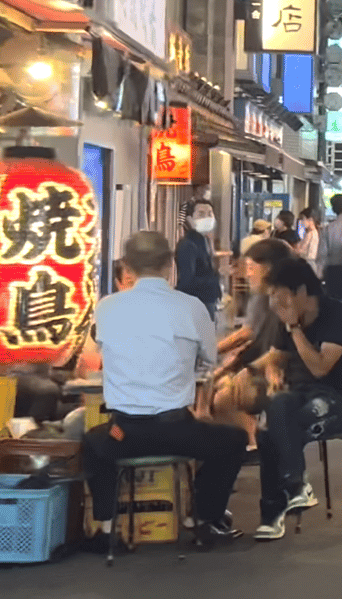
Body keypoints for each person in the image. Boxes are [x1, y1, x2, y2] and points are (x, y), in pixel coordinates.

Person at [81, 232, 246, 548]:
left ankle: (105, 531)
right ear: (171, 264)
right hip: (177, 431)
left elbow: (102, 349)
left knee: (91, 443)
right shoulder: (191, 307)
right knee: (233, 440)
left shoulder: (107, 308)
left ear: (127, 267)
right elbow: (210, 357)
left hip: (123, 433)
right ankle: (202, 519)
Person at [249, 257, 342, 540]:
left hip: (337, 401)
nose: (274, 301)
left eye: (279, 294)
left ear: (301, 292)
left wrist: (295, 328)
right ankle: (295, 489)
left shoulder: (339, 316)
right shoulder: (287, 319)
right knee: (273, 416)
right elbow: (276, 357)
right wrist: (267, 372)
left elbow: (320, 367)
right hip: (298, 396)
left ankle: (280, 503)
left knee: (280, 427)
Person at [210, 237, 298, 449]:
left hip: (287, 375)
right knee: (215, 386)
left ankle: (249, 445)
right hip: (266, 367)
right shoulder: (269, 295)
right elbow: (258, 342)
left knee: (223, 397)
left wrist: (242, 369)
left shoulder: (287, 300)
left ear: (268, 268)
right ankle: (246, 442)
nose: (246, 273)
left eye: (251, 267)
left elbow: (278, 350)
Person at [175, 199, 223, 323]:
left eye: (210, 213)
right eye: (201, 214)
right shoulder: (188, 245)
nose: (207, 218)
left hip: (208, 301)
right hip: (197, 304)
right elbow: (187, 281)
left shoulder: (203, 240)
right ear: (190, 220)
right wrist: (215, 278)